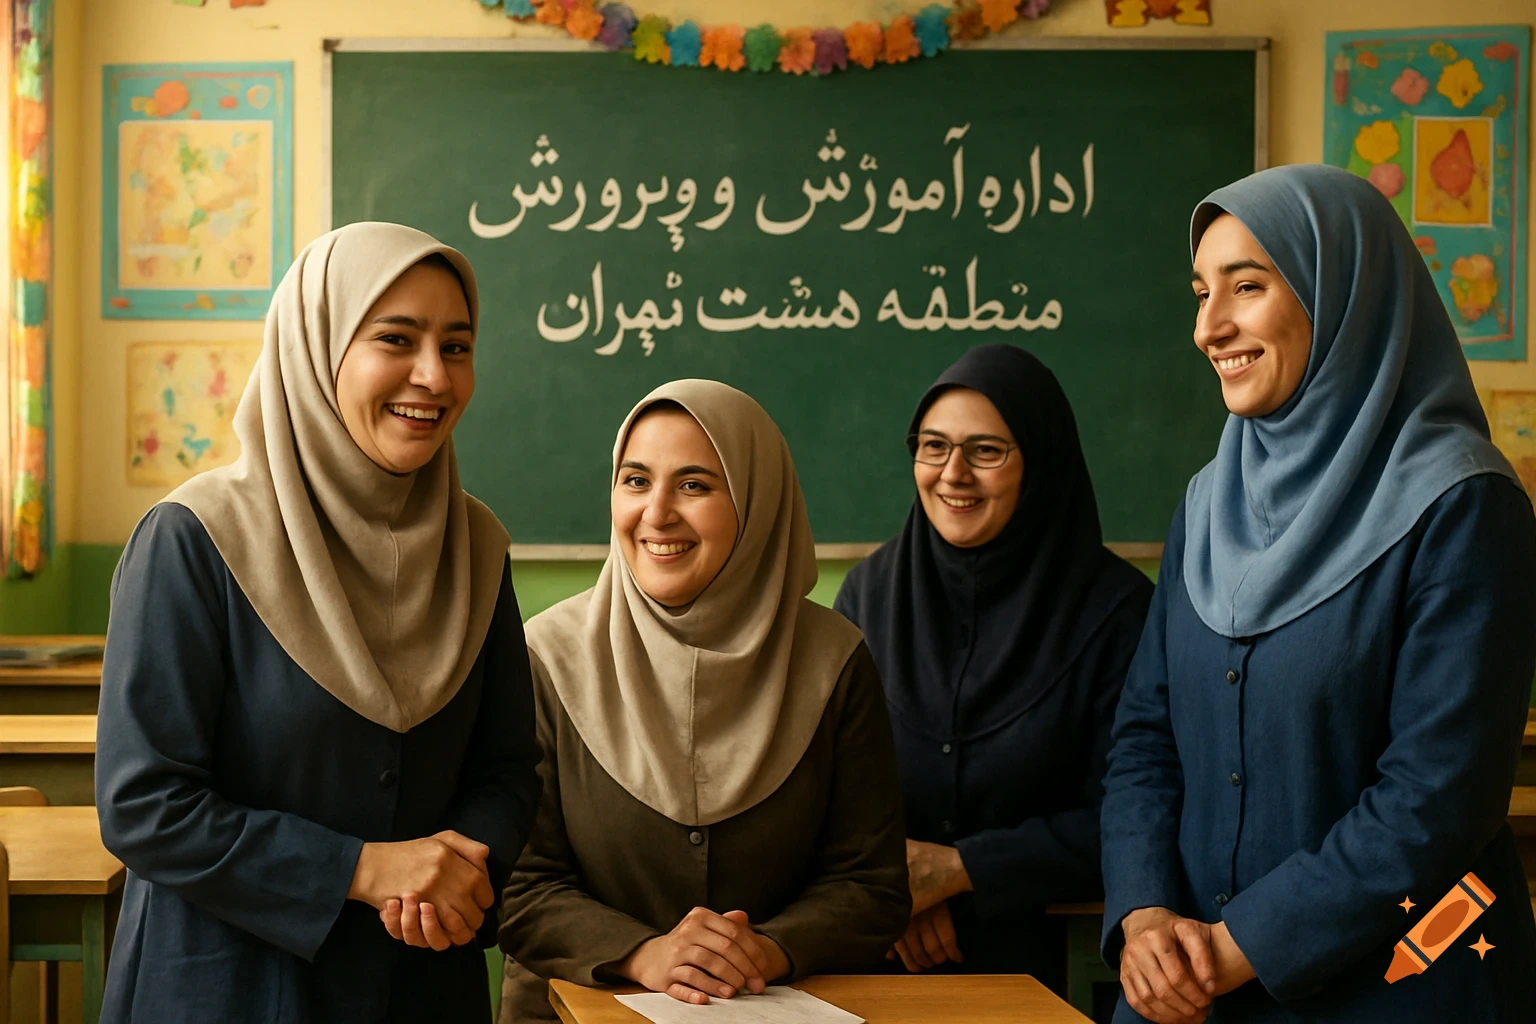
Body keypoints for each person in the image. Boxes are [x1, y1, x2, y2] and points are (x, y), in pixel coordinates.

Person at [1100, 165, 1536, 1023]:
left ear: (1344, 293)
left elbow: (1437, 796)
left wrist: (1239, 947)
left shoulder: (1463, 504)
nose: (1208, 327)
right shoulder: (1204, 502)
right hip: (1189, 994)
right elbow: (1145, 741)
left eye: (1248, 287)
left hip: (1402, 989)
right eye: (1200, 292)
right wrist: (1146, 916)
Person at [95, 223, 542, 1023]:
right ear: (316, 345)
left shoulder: (476, 548)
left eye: (459, 346)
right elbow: (144, 803)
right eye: (396, 339)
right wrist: (361, 869)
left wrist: (460, 869)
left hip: (420, 986)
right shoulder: (196, 539)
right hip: (226, 987)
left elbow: (507, 768)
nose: (433, 377)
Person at [498, 379, 910, 1022]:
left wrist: (767, 950)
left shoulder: (833, 661)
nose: (656, 513)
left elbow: (872, 886)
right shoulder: (548, 657)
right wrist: (645, 954)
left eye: (694, 485)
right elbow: (520, 887)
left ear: (756, 501)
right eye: (635, 481)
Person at [834, 344, 1153, 989]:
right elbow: (829, 795)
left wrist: (960, 870)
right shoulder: (869, 595)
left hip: (1047, 966)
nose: (953, 474)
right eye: (933, 446)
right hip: (874, 962)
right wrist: (891, 893)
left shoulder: (1119, 614)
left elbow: (1134, 815)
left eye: (985, 451)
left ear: (1038, 463)